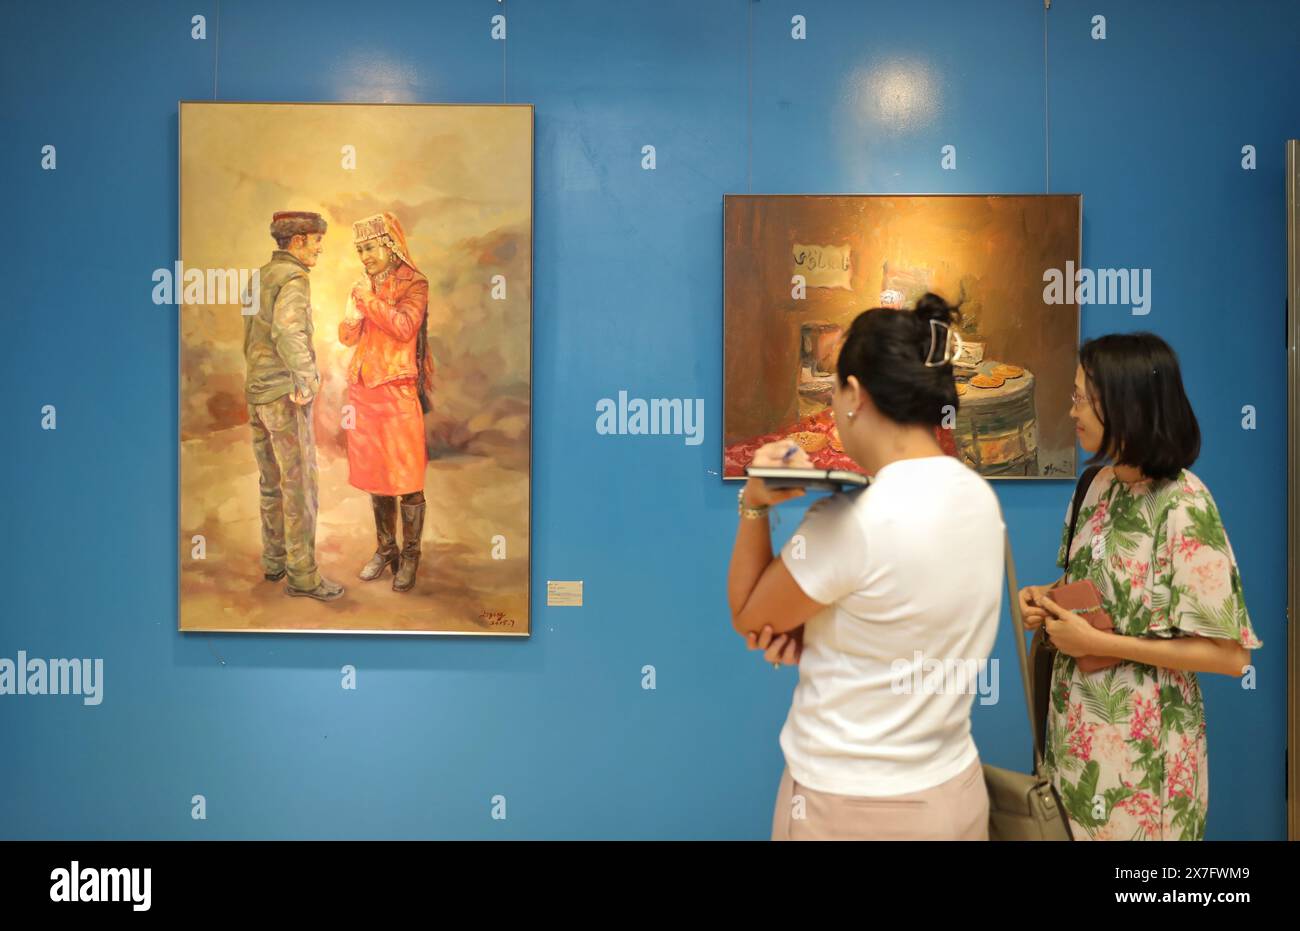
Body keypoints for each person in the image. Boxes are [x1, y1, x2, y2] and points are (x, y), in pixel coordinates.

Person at [728, 293, 1003, 840]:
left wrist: (756, 501)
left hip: (850, 808)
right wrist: (825, 638)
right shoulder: (978, 497)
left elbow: (748, 614)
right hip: (954, 792)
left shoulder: (852, 520)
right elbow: (901, 616)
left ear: (854, 394)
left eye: (833, 391)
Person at [1018, 332, 1260, 840]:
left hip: (1148, 767)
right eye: (1074, 396)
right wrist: (1046, 596)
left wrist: (1100, 644)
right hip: (1076, 750)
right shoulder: (1096, 485)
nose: (1072, 410)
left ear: (1126, 403)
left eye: (1084, 397)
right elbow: (1091, 580)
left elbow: (1230, 657)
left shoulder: (1185, 505)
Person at [243, 210, 344, 603]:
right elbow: (287, 331)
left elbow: (252, 339)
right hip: (284, 395)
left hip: (256, 394)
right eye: (316, 240)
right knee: (299, 486)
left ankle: (274, 561)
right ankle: (302, 576)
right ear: (299, 240)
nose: (319, 247)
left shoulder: (258, 277)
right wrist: (307, 379)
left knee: (271, 484)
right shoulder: (294, 278)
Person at [339, 212, 433, 592]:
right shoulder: (365, 285)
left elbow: (404, 326)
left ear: (390, 244)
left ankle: (411, 557)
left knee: (407, 478)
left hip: (397, 390)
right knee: (377, 477)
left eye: (369, 248)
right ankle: (386, 549)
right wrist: (351, 311)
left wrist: (366, 299)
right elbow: (347, 338)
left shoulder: (416, 283)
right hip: (364, 391)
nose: (364, 256)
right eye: (359, 250)